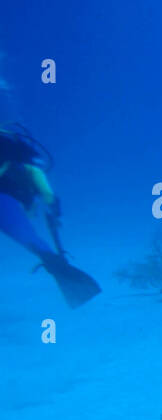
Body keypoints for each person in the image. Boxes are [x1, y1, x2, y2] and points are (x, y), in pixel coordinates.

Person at [0, 124, 100, 307]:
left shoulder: (7, 145)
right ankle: (68, 277)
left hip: (6, 197)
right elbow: (37, 175)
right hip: (9, 197)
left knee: (29, 239)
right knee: (30, 240)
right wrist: (51, 204)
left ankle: (71, 281)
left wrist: (50, 204)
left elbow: (34, 173)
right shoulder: (10, 146)